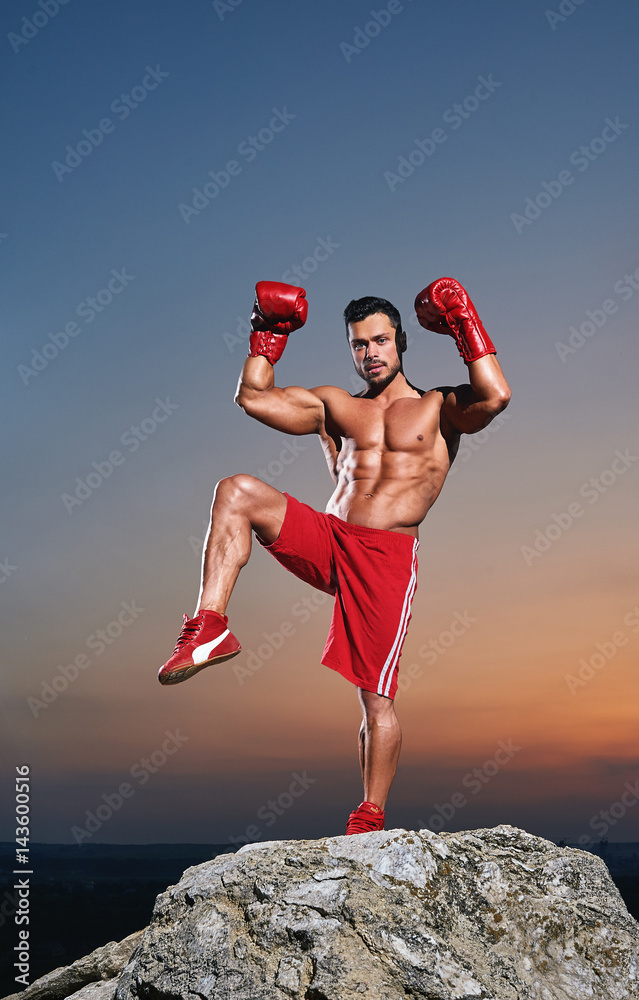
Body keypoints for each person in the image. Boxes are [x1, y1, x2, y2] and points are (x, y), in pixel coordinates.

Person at [158, 277, 512, 835]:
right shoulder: (335, 406)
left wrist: (464, 322)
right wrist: (268, 333)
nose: (370, 353)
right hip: (331, 539)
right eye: (358, 344)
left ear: (401, 342)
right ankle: (210, 626)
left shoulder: (440, 406)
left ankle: (369, 816)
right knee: (236, 491)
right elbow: (252, 398)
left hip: (386, 558)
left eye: (380, 340)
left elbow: (495, 396)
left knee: (376, 699)